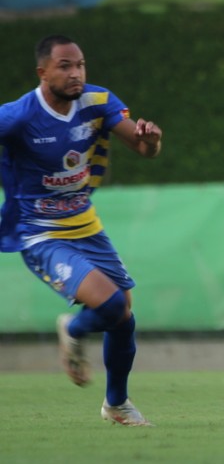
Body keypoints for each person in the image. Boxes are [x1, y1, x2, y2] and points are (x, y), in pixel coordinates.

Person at [0, 35, 163, 426]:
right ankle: (73, 329)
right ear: (43, 73)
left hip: (85, 223)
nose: (76, 74)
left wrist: (152, 142)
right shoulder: (19, 115)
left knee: (124, 316)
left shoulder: (97, 102)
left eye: (80, 65)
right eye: (65, 66)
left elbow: (144, 149)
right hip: (40, 232)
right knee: (109, 306)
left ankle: (116, 404)